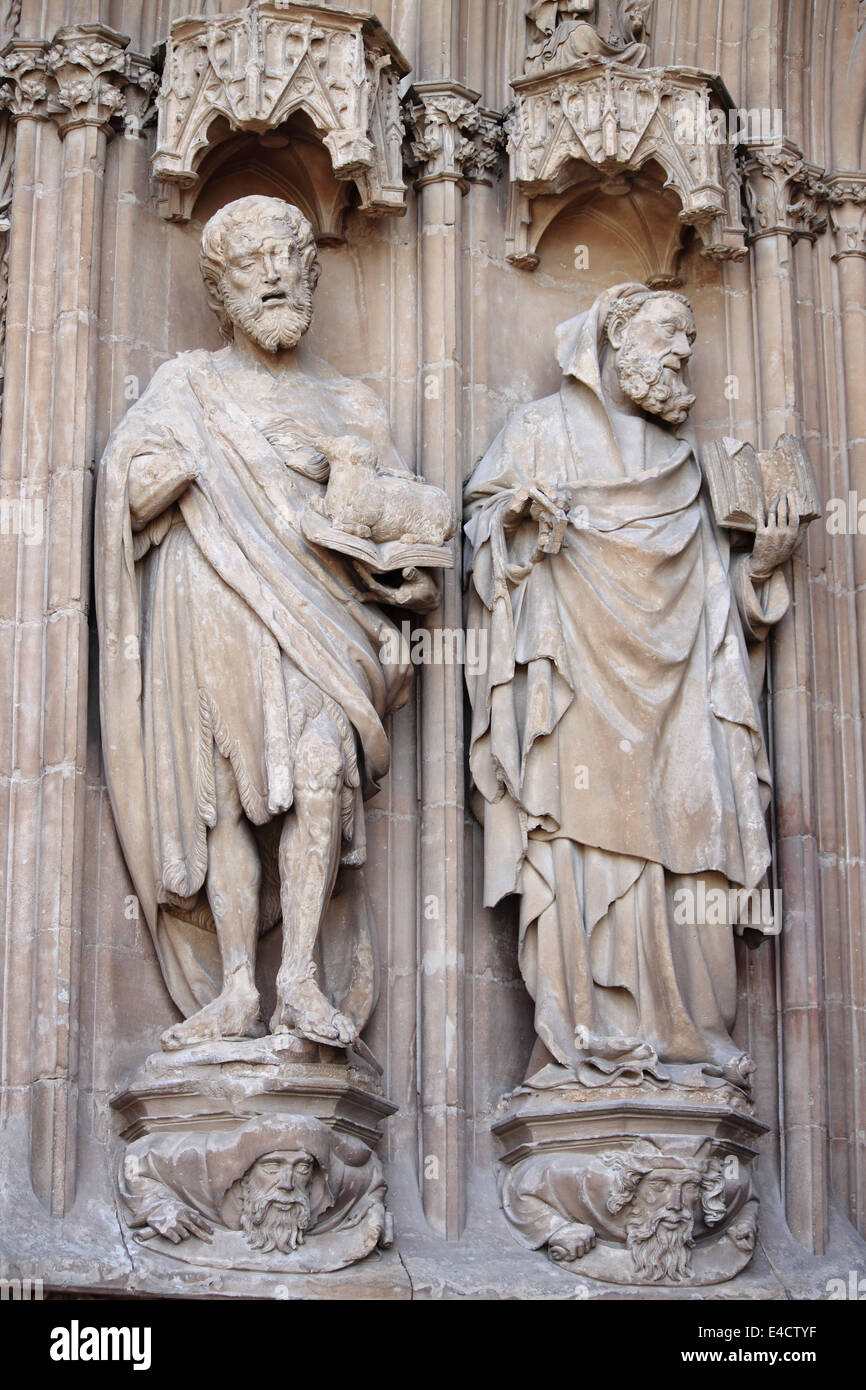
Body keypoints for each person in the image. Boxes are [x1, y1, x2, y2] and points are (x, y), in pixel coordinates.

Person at [96, 196, 437, 1054]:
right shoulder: (187, 387)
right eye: (252, 264)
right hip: (212, 606)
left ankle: (300, 981)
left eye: (290, 258)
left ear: (312, 274)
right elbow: (126, 499)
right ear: (221, 291)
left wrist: (381, 526)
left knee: (320, 773)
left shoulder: (352, 404)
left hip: (324, 618)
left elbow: (408, 525)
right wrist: (187, 464)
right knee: (230, 806)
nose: (276, 275)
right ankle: (237, 989)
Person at [464, 282, 799, 1091]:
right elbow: (483, 539)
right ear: (612, 340)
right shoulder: (541, 432)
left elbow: (721, 604)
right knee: (581, 837)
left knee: (699, 832)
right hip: (576, 682)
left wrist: (758, 567)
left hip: (685, 695)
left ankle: (691, 1031)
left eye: (689, 339)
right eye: (665, 334)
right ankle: (590, 1030)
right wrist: (516, 523)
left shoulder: (694, 465)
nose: (682, 351)